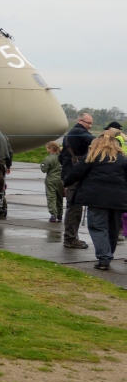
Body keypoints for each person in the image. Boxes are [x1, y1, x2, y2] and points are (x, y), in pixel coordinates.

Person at [63, 131, 127, 271]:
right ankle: (108, 254)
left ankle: (104, 258)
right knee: (113, 229)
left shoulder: (92, 157)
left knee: (98, 227)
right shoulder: (122, 159)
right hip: (118, 200)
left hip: (96, 199)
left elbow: (76, 173)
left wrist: (66, 182)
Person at [60, 113, 95, 249]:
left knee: (74, 207)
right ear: (80, 121)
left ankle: (72, 237)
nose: (89, 126)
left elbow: (62, 157)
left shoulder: (72, 133)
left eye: (91, 124)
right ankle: (70, 239)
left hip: (69, 174)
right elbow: (93, 140)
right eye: (88, 123)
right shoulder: (79, 131)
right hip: (73, 176)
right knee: (74, 208)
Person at [40, 141, 64, 223]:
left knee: (51, 197)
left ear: (50, 149)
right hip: (61, 179)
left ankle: (53, 214)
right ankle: (60, 214)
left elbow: (44, 169)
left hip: (51, 180)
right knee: (59, 197)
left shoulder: (48, 159)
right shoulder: (62, 157)